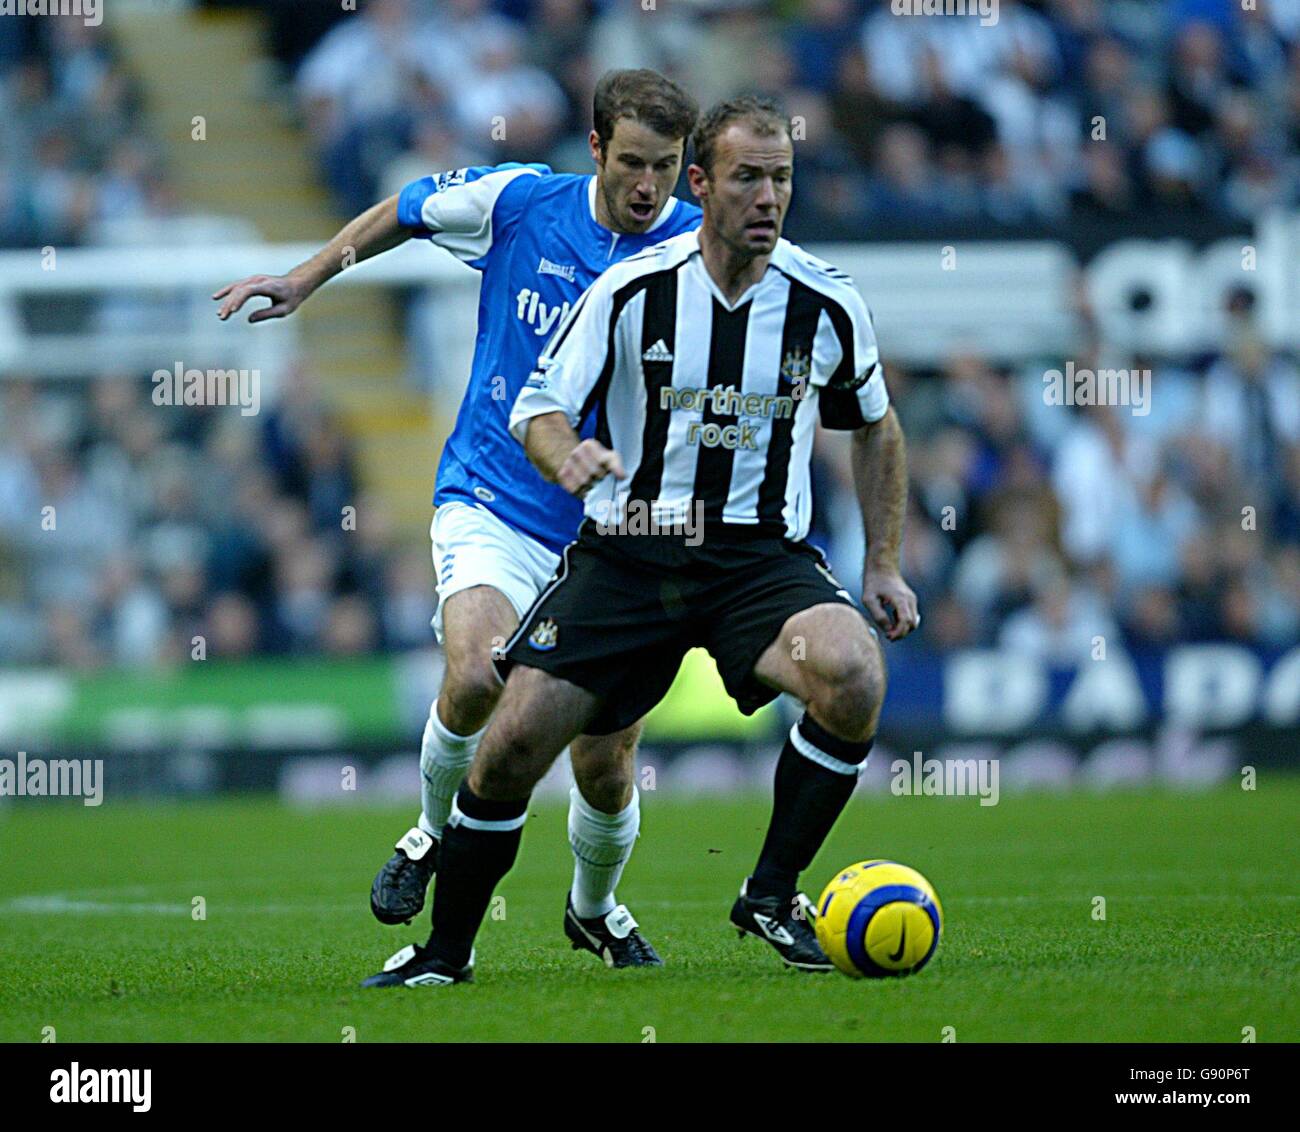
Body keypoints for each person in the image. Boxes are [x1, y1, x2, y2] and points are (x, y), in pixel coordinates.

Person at [361, 95, 920, 988]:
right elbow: (538, 405)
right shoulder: (630, 292)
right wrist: (566, 456)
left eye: (781, 178)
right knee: (512, 741)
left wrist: (883, 562)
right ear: (703, 184)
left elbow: (878, 427)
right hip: (628, 551)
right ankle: (446, 951)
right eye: (747, 178)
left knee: (853, 672)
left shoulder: (825, 301)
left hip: (754, 562)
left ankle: (770, 894)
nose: (768, 197)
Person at [215, 69, 702, 968]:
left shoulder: (696, 255)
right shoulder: (518, 203)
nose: (647, 186)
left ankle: (593, 908)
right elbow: (403, 207)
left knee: (604, 757)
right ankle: (430, 835)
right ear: (595, 150)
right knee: (478, 673)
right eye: (631, 162)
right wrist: (306, 278)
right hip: (494, 500)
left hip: (612, 538)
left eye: (666, 168)